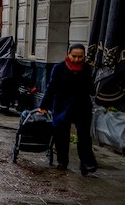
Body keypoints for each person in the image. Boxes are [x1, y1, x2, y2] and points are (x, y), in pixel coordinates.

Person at [38, 44, 98, 175]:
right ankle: (62, 161)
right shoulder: (59, 68)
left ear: (84, 56)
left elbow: (91, 89)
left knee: (84, 136)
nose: (77, 59)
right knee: (61, 134)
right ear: (68, 54)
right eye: (74, 56)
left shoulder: (88, 69)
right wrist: (43, 106)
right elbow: (51, 87)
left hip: (82, 106)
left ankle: (86, 164)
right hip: (62, 106)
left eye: (80, 57)